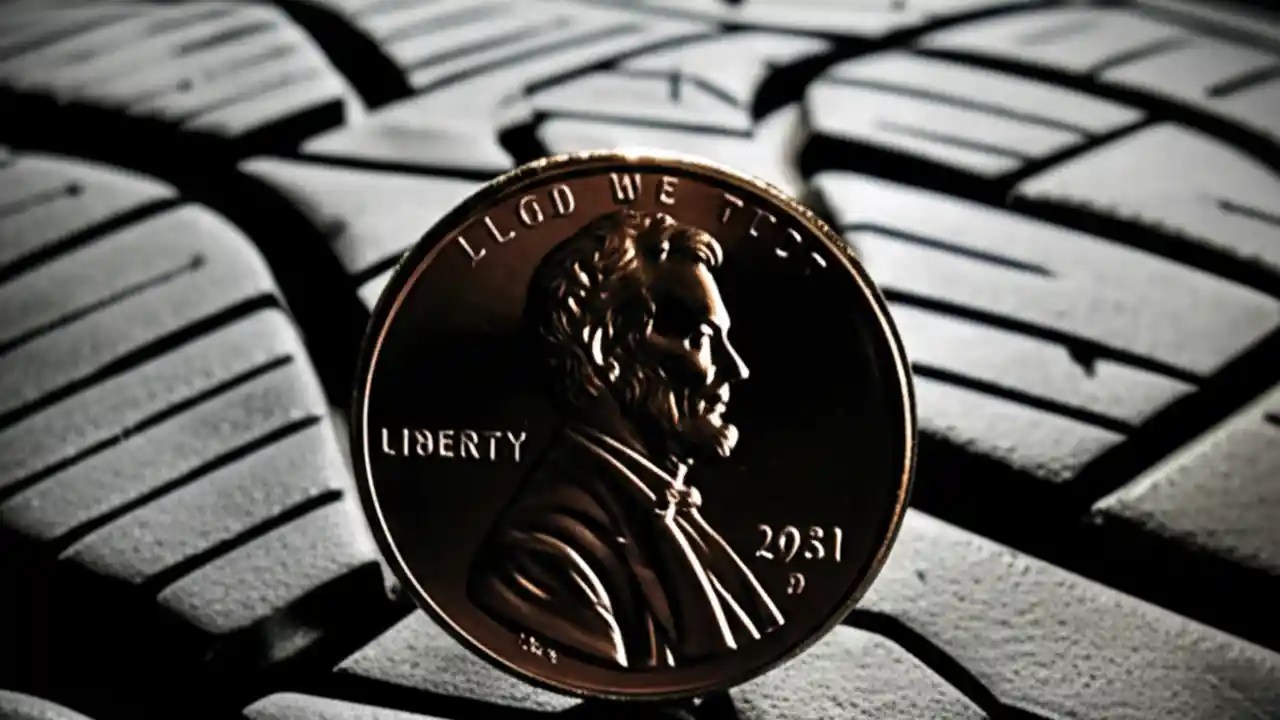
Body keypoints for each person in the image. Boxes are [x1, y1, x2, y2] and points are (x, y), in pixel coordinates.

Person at [467, 209, 784, 670]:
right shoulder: (543, 556)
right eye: (701, 338)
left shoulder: (666, 510)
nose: (737, 368)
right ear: (606, 348)